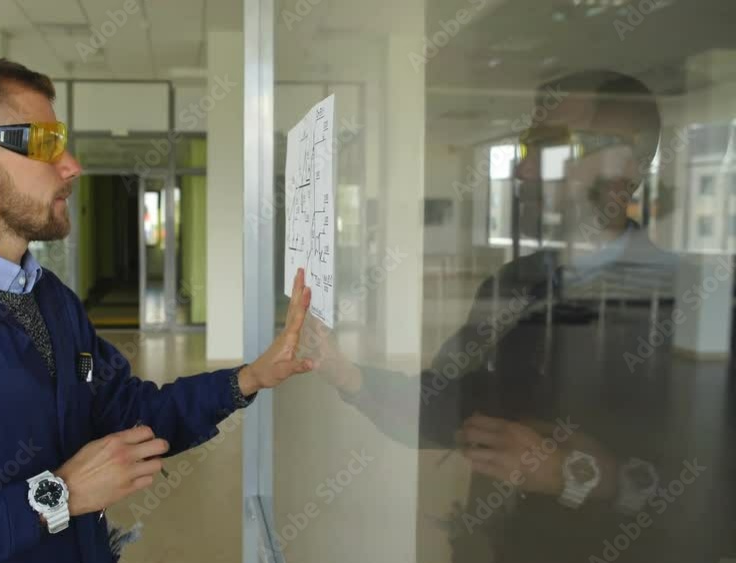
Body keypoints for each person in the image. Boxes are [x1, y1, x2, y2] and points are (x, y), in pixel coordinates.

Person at [0, 58, 314, 563]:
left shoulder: (52, 300)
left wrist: (249, 377)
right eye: (46, 145)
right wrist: (56, 496)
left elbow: (127, 414)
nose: (71, 165)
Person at [306, 70, 733, 563]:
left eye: (550, 146)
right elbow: (450, 406)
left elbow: (713, 500)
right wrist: (346, 372)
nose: (524, 171)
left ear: (623, 164)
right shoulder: (512, 284)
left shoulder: (697, 304)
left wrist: (587, 476)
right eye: (528, 146)